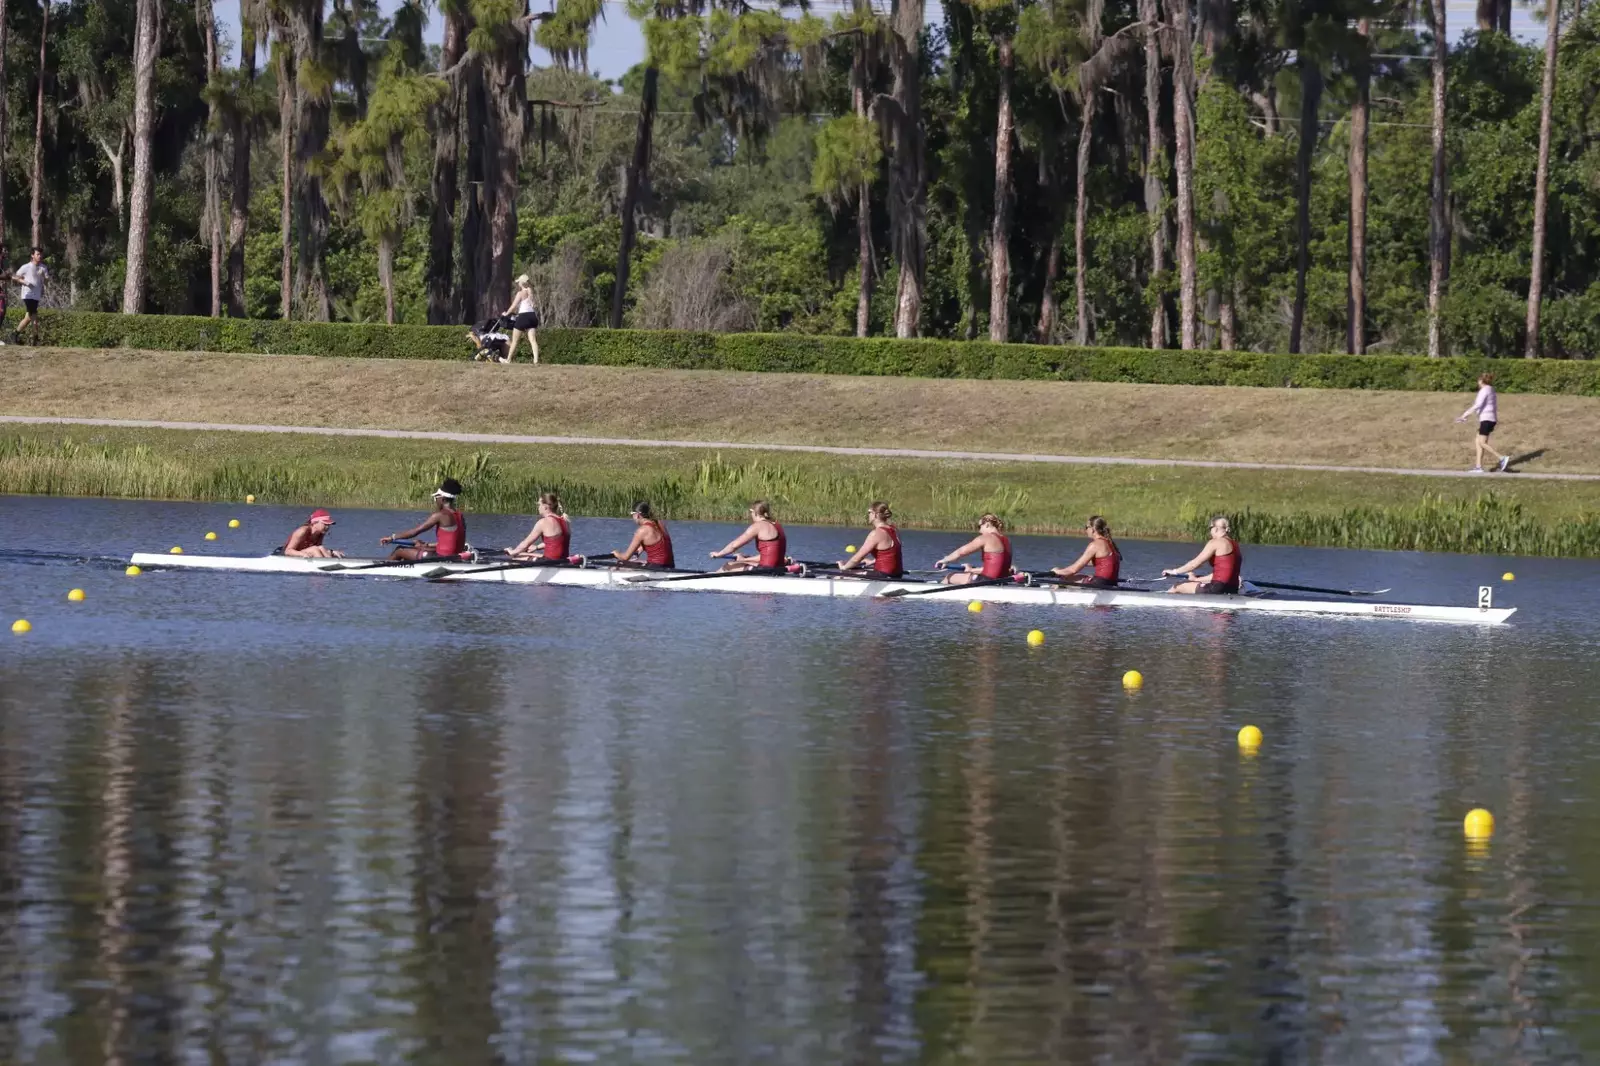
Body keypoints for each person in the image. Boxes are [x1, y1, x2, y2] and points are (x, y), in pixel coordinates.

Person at [381, 478, 468, 560]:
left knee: (399, 550)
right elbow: (452, 541)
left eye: (436, 498)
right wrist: (427, 545)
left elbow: (415, 531)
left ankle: (383, 572)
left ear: (443, 499)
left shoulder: (440, 515)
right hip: (454, 556)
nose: (435, 501)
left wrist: (392, 538)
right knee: (415, 549)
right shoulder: (460, 516)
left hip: (441, 558)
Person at [1162, 516, 1243, 594]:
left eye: (1210, 528)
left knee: (1177, 586)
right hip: (1233, 588)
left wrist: (1174, 572)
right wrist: (1196, 579)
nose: (1210, 531)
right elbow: (1223, 574)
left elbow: (1195, 563)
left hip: (1217, 588)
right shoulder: (1235, 544)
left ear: (1216, 528)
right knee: (1192, 585)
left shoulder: (1216, 542)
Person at [933, 513, 1012, 585]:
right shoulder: (1007, 541)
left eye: (979, 526)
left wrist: (945, 560)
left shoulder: (986, 538)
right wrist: (971, 570)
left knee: (949, 576)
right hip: (1002, 581)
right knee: (966, 577)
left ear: (987, 525)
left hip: (986, 581)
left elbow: (961, 552)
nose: (979, 530)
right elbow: (996, 567)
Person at [710, 500, 787, 572]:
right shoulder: (777, 525)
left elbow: (734, 546)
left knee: (728, 565)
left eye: (751, 512)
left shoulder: (758, 526)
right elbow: (769, 555)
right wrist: (745, 559)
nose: (751, 515)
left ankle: (710, 579)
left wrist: (719, 554)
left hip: (764, 570)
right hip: (778, 568)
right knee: (742, 562)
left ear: (755, 513)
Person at [1456, 372, 1509, 473]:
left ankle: (1502, 458)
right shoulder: (1491, 389)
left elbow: (1478, 405)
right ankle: (1478, 467)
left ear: (1481, 381)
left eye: (1478, 380)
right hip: (1490, 419)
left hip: (1486, 419)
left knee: (1482, 442)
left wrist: (1465, 415)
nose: (1477, 382)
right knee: (1477, 440)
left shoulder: (1484, 390)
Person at [835, 501, 903, 579]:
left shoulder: (876, 533)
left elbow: (857, 558)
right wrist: (872, 561)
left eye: (869, 512)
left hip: (882, 575)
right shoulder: (895, 530)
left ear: (876, 515)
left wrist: (844, 567)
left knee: (840, 576)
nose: (868, 515)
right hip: (897, 575)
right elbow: (892, 555)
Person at [1051, 515, 1121, 587]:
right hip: (1112, 583)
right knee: (1077, 576)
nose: (1085, 530)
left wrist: (1056, 572)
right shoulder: (1111, 544)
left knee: (1063, 579)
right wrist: (1064, 571)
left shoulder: (1095, 545)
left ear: (1093, 529)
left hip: (1099, 584)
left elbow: (1073, 570)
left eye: (1086, 527)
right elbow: (1096, 563)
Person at [607, 500, 676, 569]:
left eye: (632, 514)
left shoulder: (642, 531)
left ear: (637, 515)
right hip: (670, 567)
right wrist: (639, 550)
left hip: (656, 568)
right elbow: (654, 543)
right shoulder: (659, 524)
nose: (632, 517)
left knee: (617, 565)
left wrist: (616, 553)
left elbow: (625, 557)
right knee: (637, 562)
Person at [508, 492, 572, 564]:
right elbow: (557, 542)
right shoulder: (565, 520)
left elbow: (525, 544)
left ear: (545, 506)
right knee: (523, 553)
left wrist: (512, 552)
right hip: (563, 559)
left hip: (549, 562)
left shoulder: (543, 522)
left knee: (516, 556)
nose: (538, 507)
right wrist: (537, 547)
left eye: (539, 505)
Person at [12, 247, 48, 342]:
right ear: (32, 255)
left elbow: (46, 280)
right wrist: (25, 282)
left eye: (41, 254)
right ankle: (35, 338)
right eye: (38, 254)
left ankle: (15, 334)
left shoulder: (43, 267)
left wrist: (44, 277)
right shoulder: (26, 267)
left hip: (36, 295)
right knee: (34, 315)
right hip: (27, 295)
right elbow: (15, 277)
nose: (40, 256)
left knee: (28, 317)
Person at [503, 273, 540, 364]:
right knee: (533, 340)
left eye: (519, 282)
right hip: (532, 316)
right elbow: (533, 304)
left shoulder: (520, 293)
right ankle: (536, 360)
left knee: (515, 340)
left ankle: (508, 359)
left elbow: (513, 306)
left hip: (523, 316)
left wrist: (506, 313)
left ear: (521, 283)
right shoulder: (530, 291)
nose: (518, 283)